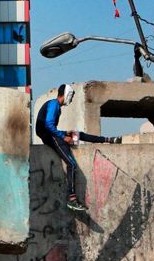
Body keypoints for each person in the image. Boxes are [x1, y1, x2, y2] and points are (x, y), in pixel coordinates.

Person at [34, 83, 119, 213]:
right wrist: (63, 137)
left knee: (78, 134)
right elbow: (48, 124)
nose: (71, 100)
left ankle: (107, 140)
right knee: (72, 164)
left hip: (51, 134)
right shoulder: (54, 104)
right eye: (71, 97)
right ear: (66, 94)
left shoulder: (55, 106)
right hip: (50, 136)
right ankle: (71, 199)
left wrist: (65, 134)